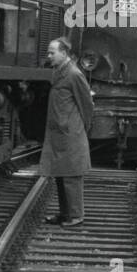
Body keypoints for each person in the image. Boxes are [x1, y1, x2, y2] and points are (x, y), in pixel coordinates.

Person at [40, 37, 94, 227]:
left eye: (52, 52)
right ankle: (65, 213)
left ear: (64, 53)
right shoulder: (58, 72)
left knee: (71, 175)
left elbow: (87, 104)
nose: (49, 56)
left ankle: (76, 215)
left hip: (71, 133)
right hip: (60, 133)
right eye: (49, 52)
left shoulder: (73, 74)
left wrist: (81, 129)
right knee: (61, 174)